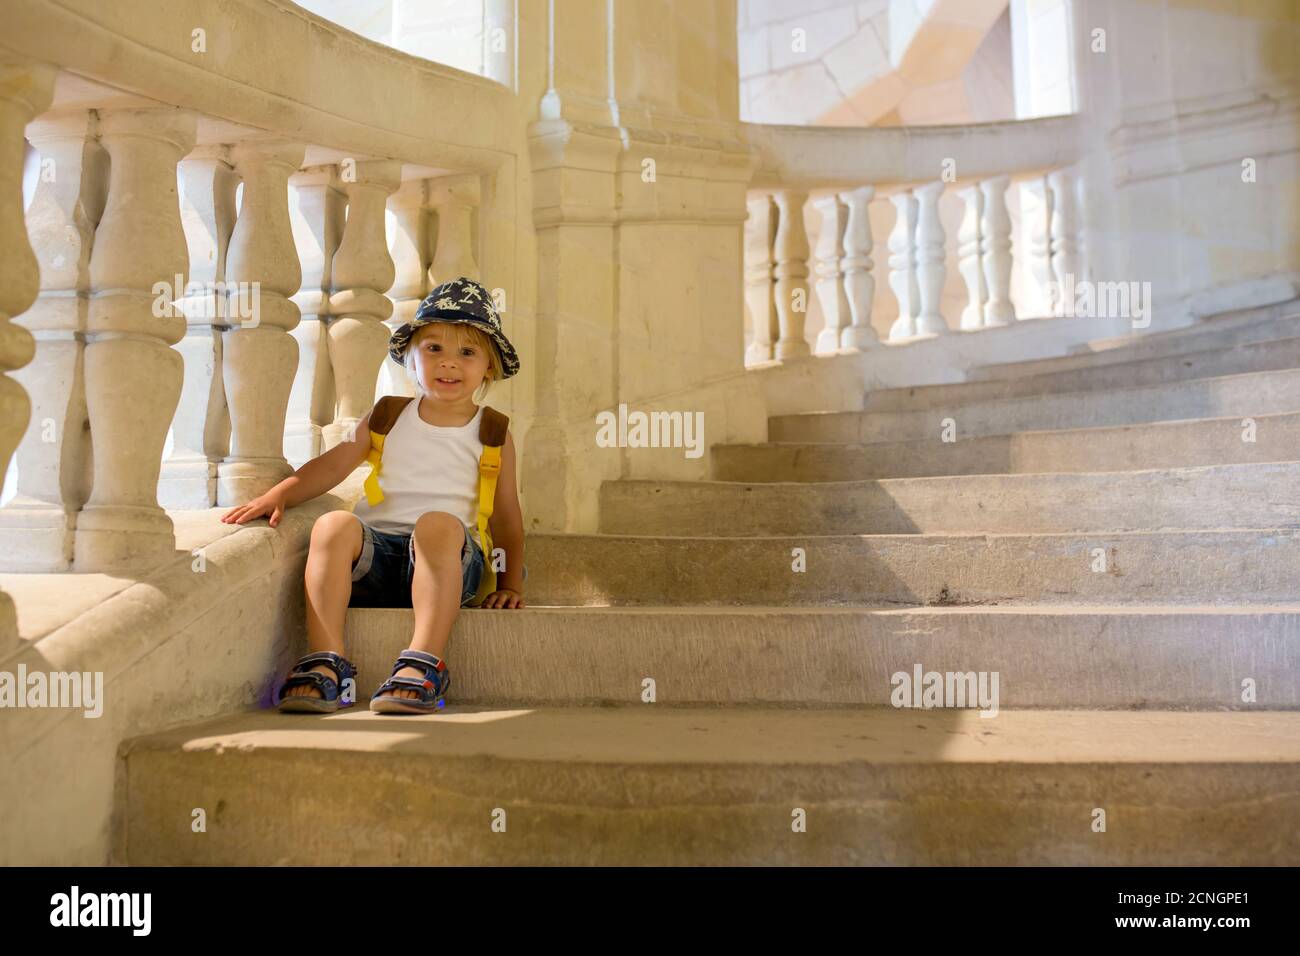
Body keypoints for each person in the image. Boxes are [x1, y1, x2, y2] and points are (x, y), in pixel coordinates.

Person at [220, 276, 524, 715]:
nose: (448, 362)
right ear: (411, 357)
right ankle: (327, 662)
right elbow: (335, 464)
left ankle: (423, 663)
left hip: (450, 563)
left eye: (467, 352)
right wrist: (282, 493)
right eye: (433, 348)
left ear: (488, 368)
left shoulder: (492, 431)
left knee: (437, 524)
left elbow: (507, 517)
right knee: (333, 525)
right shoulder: (388, 414)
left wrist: (510, 583)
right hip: (377, 561)